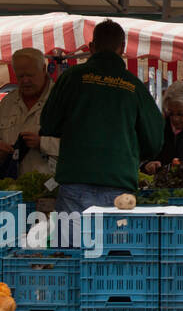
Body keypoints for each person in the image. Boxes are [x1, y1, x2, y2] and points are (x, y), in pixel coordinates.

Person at [41, 20, 163, 221]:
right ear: (122, 48)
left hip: (75, 182)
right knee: (114, 249)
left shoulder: (71, 78)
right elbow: (154, 140)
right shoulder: (135, 87)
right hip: (119, 186)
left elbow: (48, 124)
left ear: (91, 47)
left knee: (73, 249)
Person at [0, 48, 60, 177]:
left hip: (53, 190)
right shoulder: (7, 103)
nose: (25, 80)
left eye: (30, 75)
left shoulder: (62, 99)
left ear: (44, 70)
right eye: (20, 76)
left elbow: (79, 147)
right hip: (12, 189)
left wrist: (42, 143)